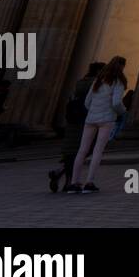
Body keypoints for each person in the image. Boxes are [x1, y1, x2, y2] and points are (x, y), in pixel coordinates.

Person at [68, 58, 127, 193]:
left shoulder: (98, 81)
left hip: (91, 119)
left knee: (82, 150)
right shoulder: (118, 82)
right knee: (97, 151)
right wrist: (123, 112)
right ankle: (89, 182)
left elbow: (87, 102)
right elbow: (116, 103)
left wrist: (94, 112)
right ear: (121, 67)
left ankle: (73, 183)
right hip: (106, 120)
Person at [49, 62, 102, 193]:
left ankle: (62, 175)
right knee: (84, 150)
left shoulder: (80, 83)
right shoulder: (97, 84)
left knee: (72, 152)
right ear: (99, 71)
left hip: (73, 120)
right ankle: (65, 179)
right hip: (87, 120)